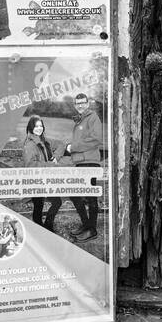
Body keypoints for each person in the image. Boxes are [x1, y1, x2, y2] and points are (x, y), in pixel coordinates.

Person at [59, 93, 104, 242]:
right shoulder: (80, 120)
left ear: (87, 103)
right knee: (76, 194)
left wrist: (73, 147)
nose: (80, 105)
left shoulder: (92, 117)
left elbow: (96, 139)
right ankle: (86, 225)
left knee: (90, 196)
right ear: (75, 105)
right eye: (77, 103)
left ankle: (92, 230)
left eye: (83, 103)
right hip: (80, 162)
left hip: (90, 162)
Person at [23, 116, 61, 232]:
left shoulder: (44, 141)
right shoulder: (29, 145)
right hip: (36, 180)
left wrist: (56, 157)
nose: (39, 128)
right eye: (36, 126)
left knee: (57, 202)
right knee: (38, 205)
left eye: (41, 126)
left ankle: (48, 226)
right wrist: (50, 165)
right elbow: (31, 165)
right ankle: (40, 230)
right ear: (31, 127)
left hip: (47, 179)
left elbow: (61, 144)